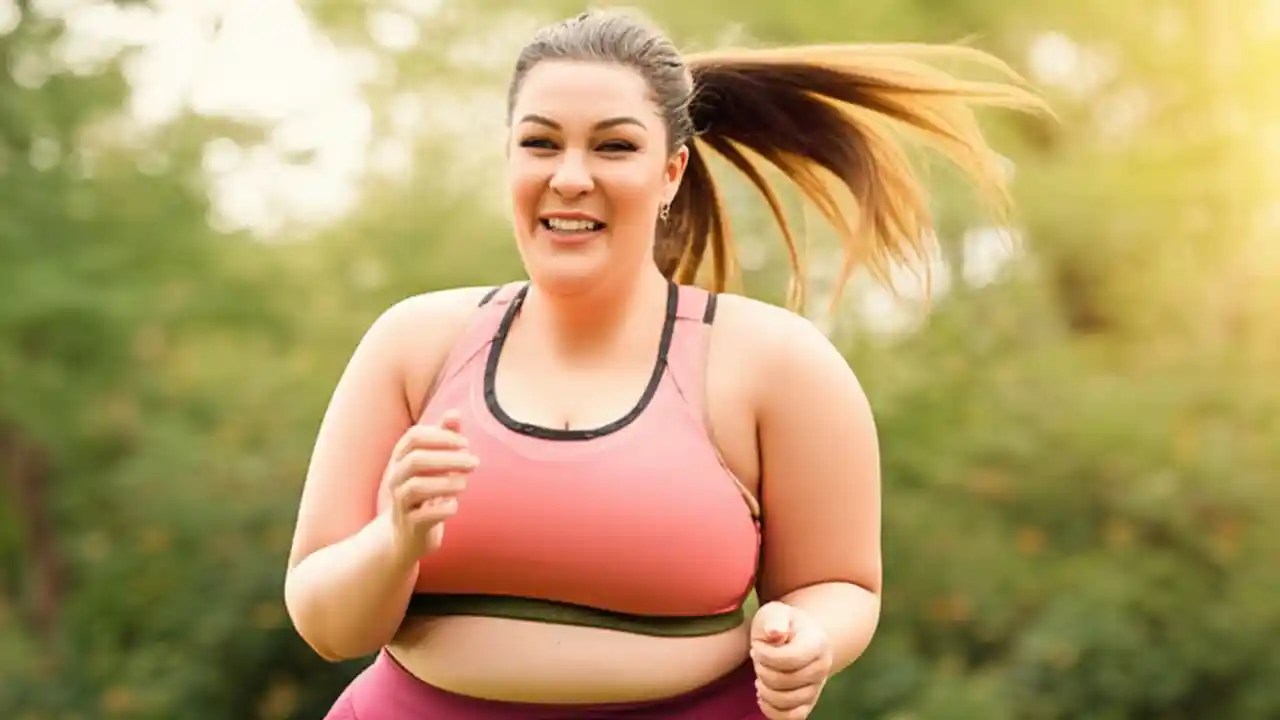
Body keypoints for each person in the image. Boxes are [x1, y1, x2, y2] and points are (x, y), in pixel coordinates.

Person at [284, 8, 1045, 719]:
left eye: (613, 146)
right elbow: (327, 628)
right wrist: (395, 539)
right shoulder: (414, 342)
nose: (570, 176)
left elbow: (839, 583)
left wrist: (808, 636)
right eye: (540, 143)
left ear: (672, 171)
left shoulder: (778, 365)